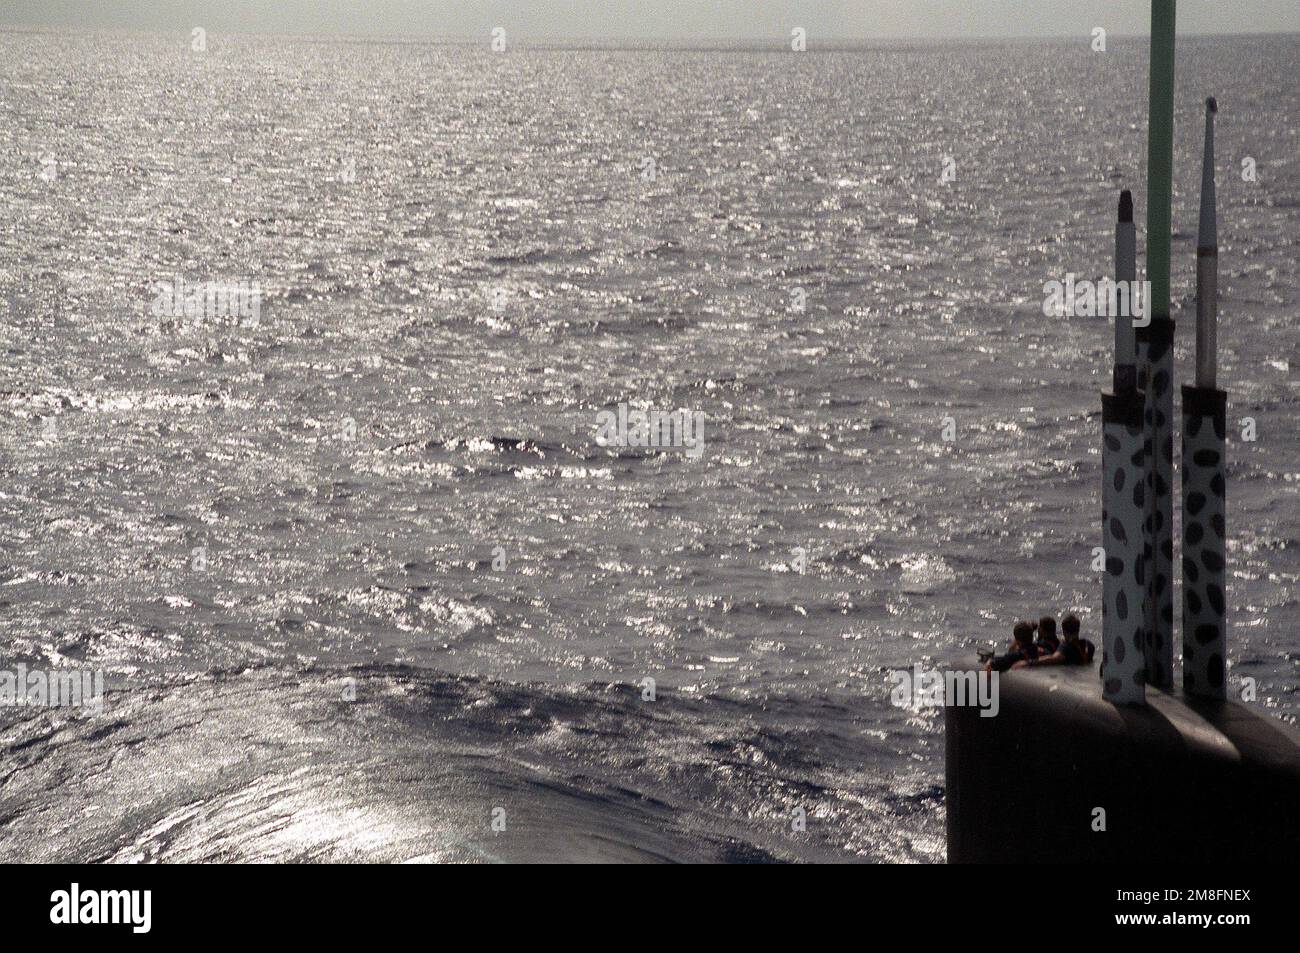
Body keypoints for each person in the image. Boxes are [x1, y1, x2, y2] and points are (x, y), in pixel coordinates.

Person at [1014, 613, 1089, 668]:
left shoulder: (1065, 647)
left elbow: (1055, 658)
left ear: (1063, 631)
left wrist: (1027, 663)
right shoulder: (1088, 644)